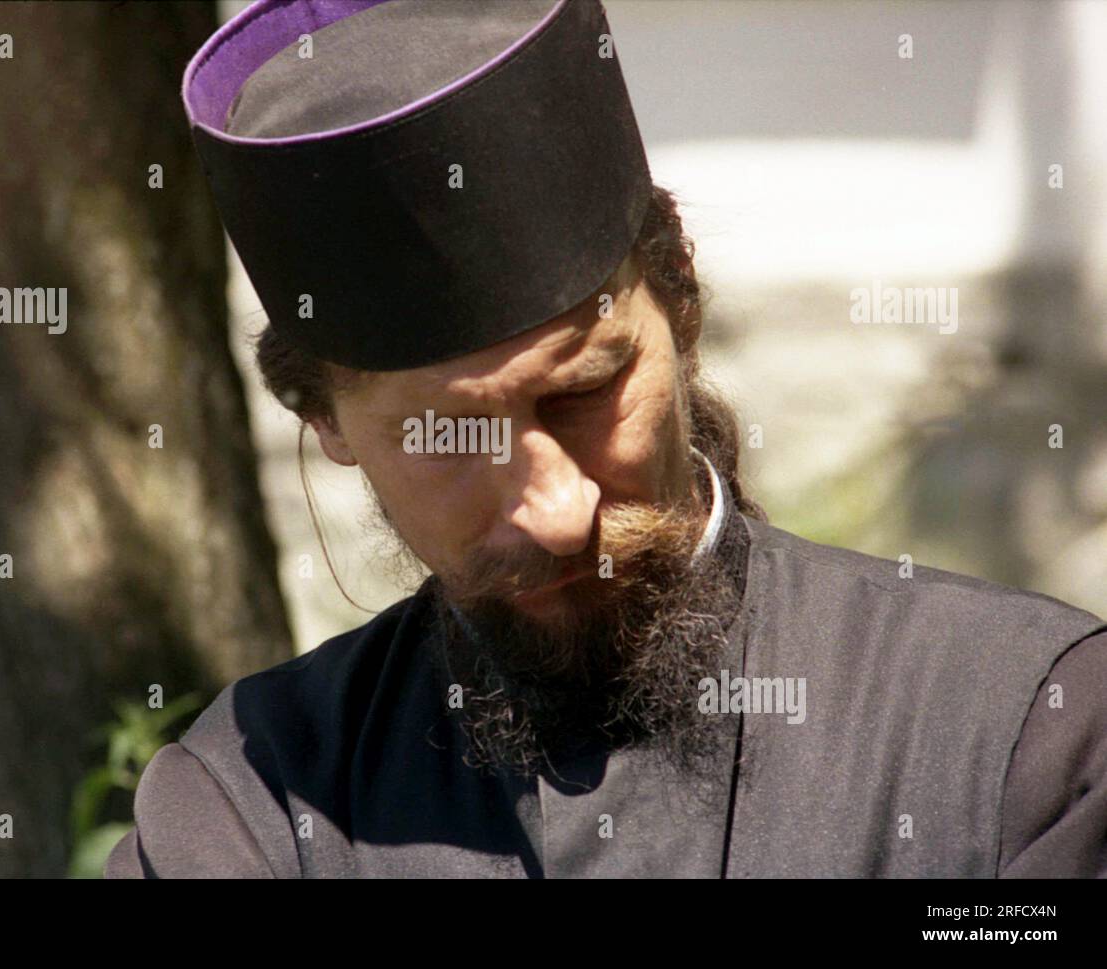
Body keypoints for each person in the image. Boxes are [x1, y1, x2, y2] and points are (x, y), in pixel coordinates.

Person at [105, 0, 1106, 878]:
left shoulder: (1015, 729)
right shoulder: (248, 807)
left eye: (583, 393)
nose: (554, 512)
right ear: (323, 420)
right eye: (446, 433)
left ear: (681, 305)